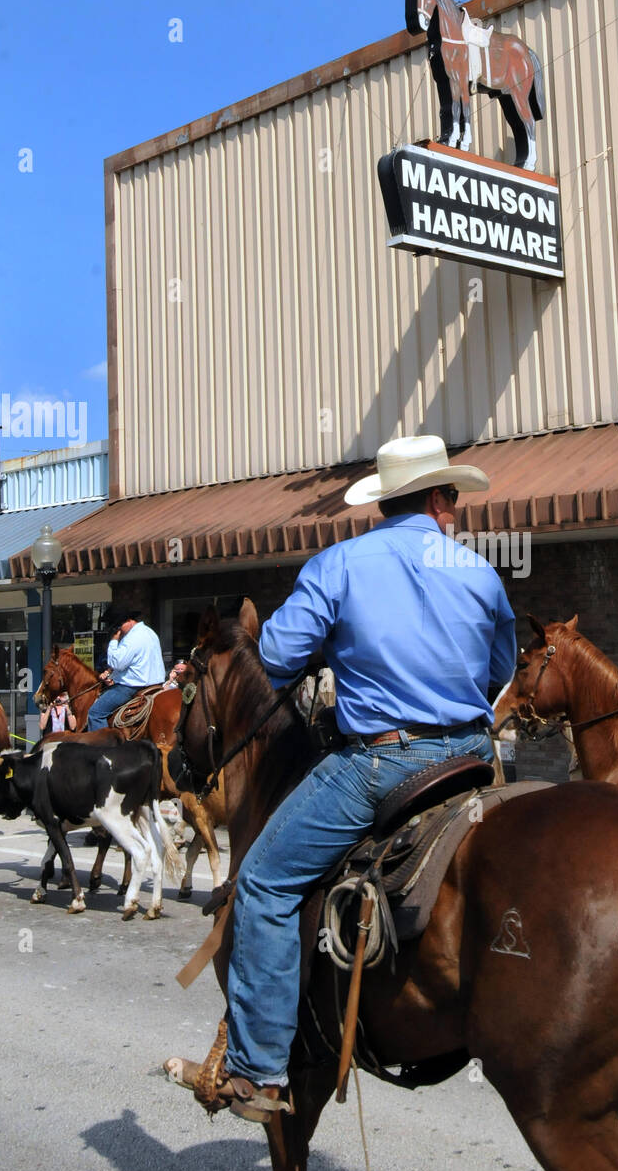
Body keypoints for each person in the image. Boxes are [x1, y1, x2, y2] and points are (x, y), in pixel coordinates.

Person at [207, 434, 517, 1121]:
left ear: (385, 501)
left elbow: (277, 661)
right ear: (436, 498)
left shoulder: (340, 563)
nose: (457, 511)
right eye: (453, 500)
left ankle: (258, 1070)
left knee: (261, 882)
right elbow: (500, 673)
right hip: (472, 758)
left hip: (384, 762)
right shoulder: (480, 571)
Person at [86, 609, 165, 730]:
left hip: (131, 687)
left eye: (119, 626)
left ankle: (101, 747)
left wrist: (114, 640)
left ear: (129, 621)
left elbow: (116, 663)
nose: (119, 631)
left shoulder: (132, 638)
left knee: (95, 713)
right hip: (157, 684)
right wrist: (112, 675)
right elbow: (133, 662)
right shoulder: (150, 632)